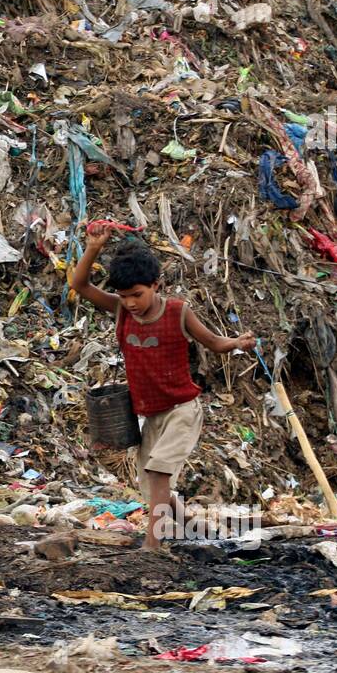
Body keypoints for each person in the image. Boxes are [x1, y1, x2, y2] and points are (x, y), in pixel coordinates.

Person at [72, 227, 256, 550]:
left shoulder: (178, 312)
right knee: (152, 487)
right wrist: (93, 248)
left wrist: (237, 343)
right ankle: (193, 525)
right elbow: (80, 285)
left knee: (158, 471)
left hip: (183, 410)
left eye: (137, 294)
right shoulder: (119, 311)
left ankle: (152, 545)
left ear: (156, 285)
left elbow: (212, 341)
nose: (130, 302)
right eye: (124, 295)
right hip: (151, 415)